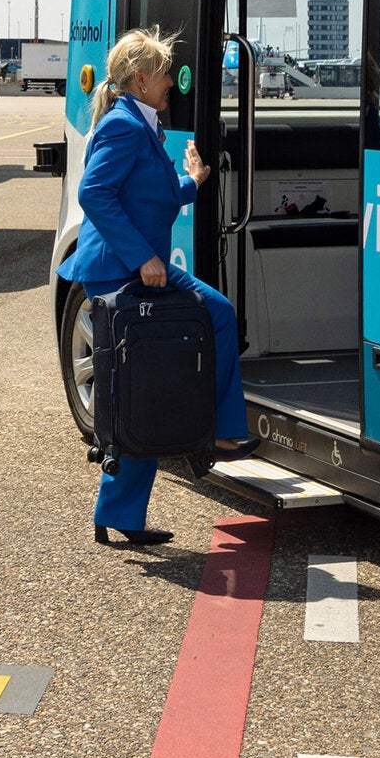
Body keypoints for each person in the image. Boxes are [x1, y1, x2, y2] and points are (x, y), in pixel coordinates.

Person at [59, 28, 260, 546]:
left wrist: (193, 179)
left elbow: (157, 197)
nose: (173, 82)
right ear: (142, 79)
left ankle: (122, 512)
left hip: (141, 265)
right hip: (125, 267)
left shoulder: (141, 123)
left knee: (143, 388)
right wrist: (144, 257)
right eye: (166, 73)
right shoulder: (125, 126)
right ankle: (216, 430)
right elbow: (94, 194)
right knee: (207, 321)